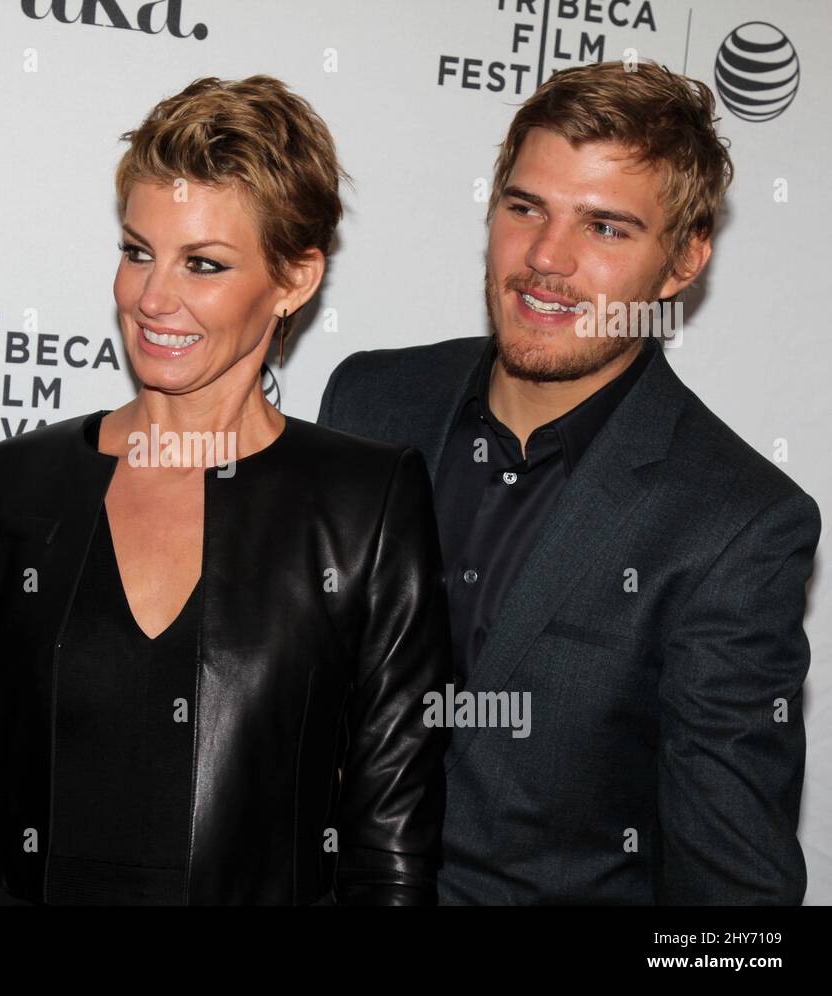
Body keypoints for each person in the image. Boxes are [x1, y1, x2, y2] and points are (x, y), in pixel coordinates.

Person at [0, 76, 452, 905]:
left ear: (296, 280)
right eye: (137, 251)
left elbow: (388, 852)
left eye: (203, 264)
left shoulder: (362, 507)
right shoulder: (20, 485)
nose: (151, 298)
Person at [319, 61, 820, 904]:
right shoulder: (370, 400)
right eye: (526, 209)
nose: (547, 259)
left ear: (683, 262)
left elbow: (732, 898)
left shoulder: (734, 523)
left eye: (607, 229)